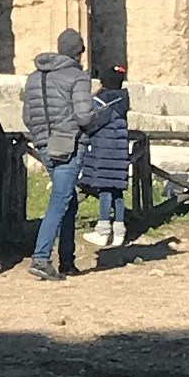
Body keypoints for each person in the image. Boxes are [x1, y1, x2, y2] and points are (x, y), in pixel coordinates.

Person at [21, 25, 92, 279]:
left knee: (69, 201)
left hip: (42, 143)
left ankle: (67, 261)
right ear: (78, 53)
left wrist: (43, 135)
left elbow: (27, 116)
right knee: (60, 199)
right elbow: (84, 116)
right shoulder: (78, 77)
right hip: (69, 145)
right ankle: (41, 258)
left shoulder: (33, 78)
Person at [74, 60, 138, 258]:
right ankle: (119, 231)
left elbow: (91, 123)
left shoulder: (104, 102)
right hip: (119, 151)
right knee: (116, 190)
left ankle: (103, 230)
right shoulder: (121, 100)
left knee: (104, 190)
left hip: (104, 150)